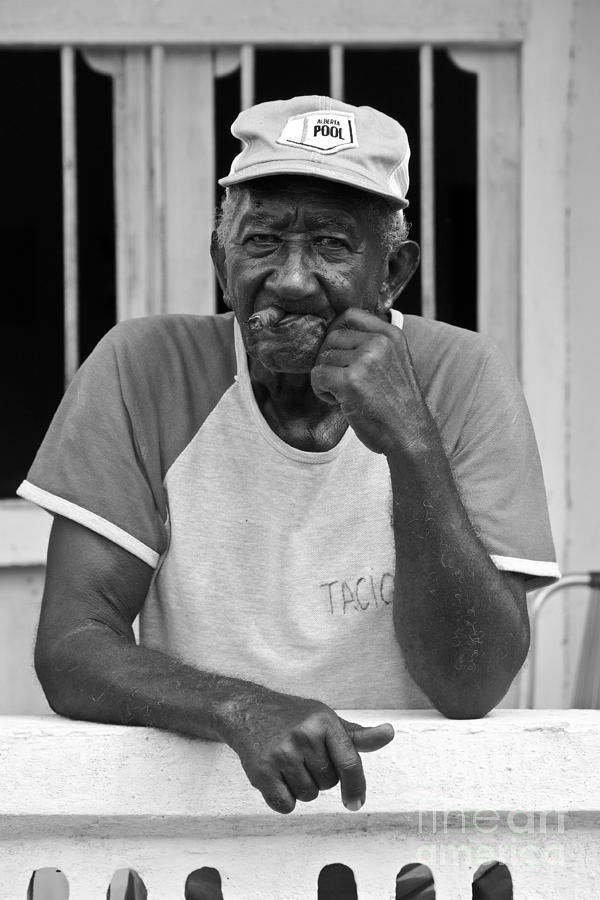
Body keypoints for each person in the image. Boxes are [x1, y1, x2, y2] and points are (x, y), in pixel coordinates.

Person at [19, 97, 559, 825]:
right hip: (195, 841)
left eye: (332, 245)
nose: (293, 279)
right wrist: (241, 707)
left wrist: (410, 439)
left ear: (392, 272)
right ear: (222, 260)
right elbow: (72, 645)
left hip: (416, 844)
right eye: (264, 240)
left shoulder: (462, 375)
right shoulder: (142, 368)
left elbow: (473, 681)